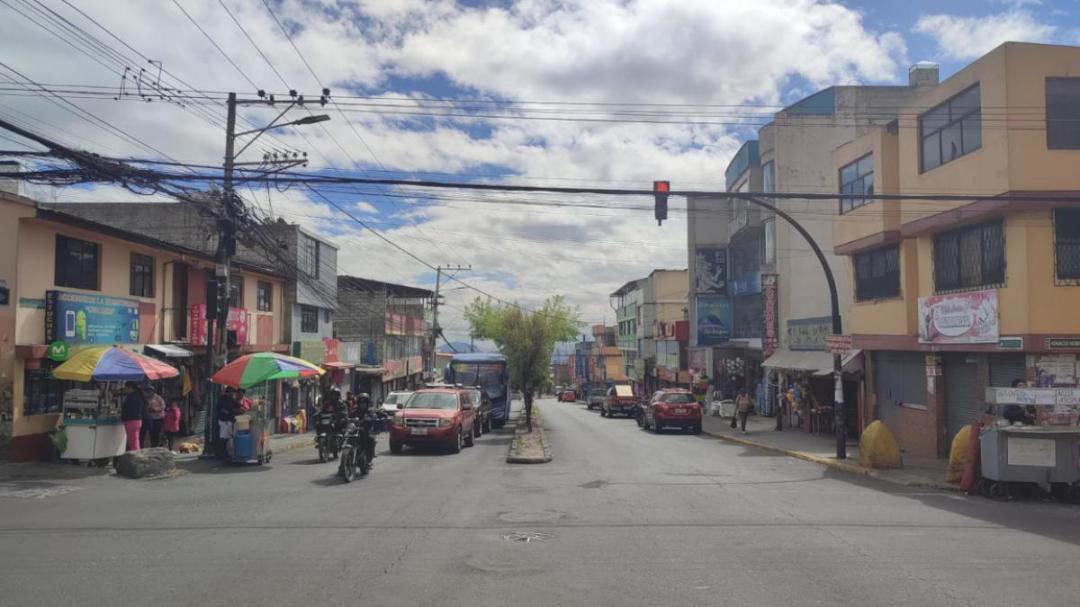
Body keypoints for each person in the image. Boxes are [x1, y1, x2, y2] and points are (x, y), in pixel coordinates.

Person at [120, 381, 145, 451]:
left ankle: (136, 456)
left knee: (133, 442)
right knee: (135, 440)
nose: (125, 390)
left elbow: (129, 409)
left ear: (130, 388)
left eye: (126, 388)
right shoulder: (139, 396)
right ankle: (137, 454)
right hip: (137, 420)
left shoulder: (132, 397)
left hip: (131, 421)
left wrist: (122, 415)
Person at [218, 387, 237, 458]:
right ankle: (222, 454)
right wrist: (228, 414)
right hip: (224, 421)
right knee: (223, 437)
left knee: (228, 437)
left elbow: (234, 407)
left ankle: (227, 453)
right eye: (233, 392)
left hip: (229, 421)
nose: (234, 394)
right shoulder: (223, 399)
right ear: (229, 392)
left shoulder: (231, 399)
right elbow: (222, 410)